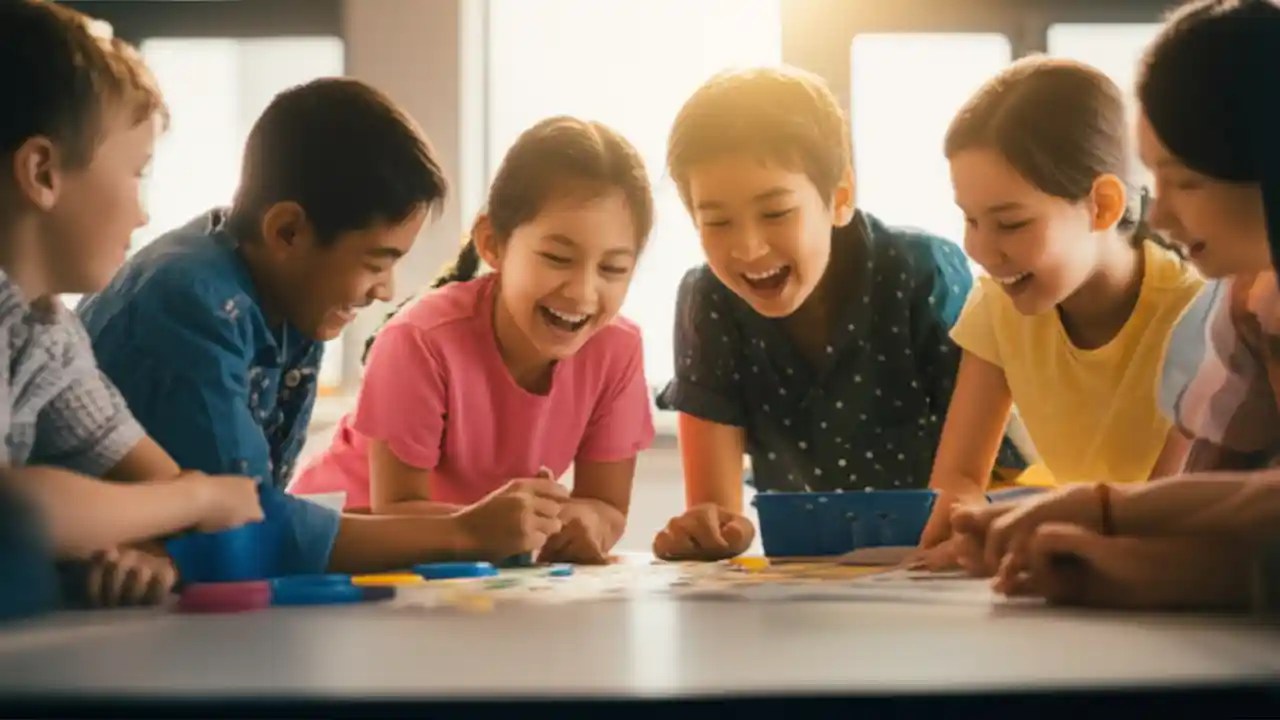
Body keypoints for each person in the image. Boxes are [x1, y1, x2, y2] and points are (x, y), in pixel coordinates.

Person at [79, 79, 568, 590]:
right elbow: (246, 523)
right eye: (376, 262)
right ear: (288, 231)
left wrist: (461, 528)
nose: (386, 290)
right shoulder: (192, 303)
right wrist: (462, 533)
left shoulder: (291, 288)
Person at [950, 0, 1280, 612]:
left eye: (1186, 182)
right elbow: (1209, 512)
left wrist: (1111, 519)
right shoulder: (1240, 309)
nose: (1158, 216)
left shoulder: (1197, 304)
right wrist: (1105, 531)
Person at [650, 66, 1023, 561]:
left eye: (776, 212)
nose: (747, 247)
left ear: (840, 197)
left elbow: (977, 478)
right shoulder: (707, 299)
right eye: (716, 221)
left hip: (949, 561)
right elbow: (719, 514)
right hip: (807, 575)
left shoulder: (919, 272)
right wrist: (707, 532)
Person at [291, 117, 656, 564]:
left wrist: (586, 524)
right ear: (492, 243)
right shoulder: (420, 339)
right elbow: (396, 509)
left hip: (471, 560)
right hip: (336, 546)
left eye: (613, 269)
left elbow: (607, 506)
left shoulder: (617, 350)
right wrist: (496, 532)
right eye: (557, 258)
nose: (582, 292)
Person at [0, 0, 263, 614]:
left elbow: (161, 486)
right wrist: (194, 502)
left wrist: (152, 551)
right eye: (137, 173)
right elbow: (15, 510)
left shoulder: (44, 329)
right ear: (42, 172)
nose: (144, 213)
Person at [912, 56, 1205, 568]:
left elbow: (1165, 514)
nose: (979, 249)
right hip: (1079, 562)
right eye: (970, 219)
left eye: (1011, 223)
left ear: (1104, 205)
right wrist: (962, 520)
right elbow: (957, 478)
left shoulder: (1195, 311)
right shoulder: (996, 307)